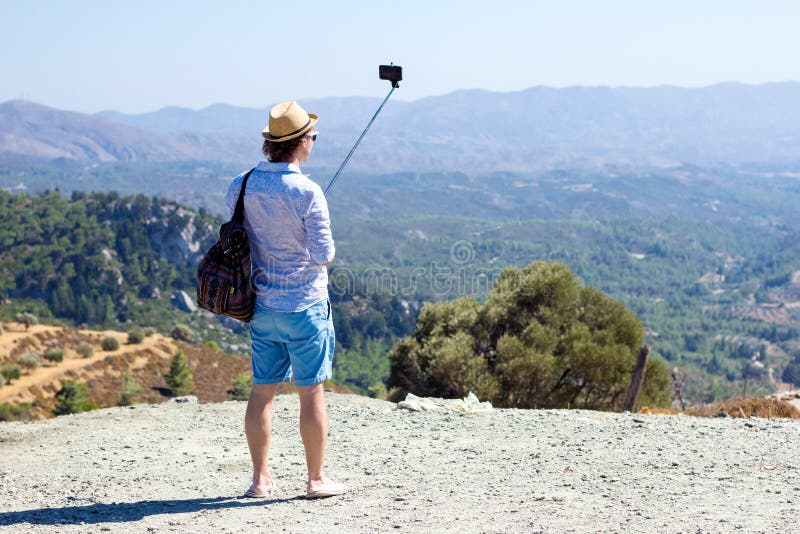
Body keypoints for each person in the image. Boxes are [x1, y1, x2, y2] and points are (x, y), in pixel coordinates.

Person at [225, 100, 346, 499]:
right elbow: (324, 255)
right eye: (312, 136)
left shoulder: (240, 185)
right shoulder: (309, 191)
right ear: (300, 142)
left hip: (260, 306)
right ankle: (315, 480)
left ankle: (260, 481)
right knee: (311, 393)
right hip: (305, 307)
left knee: (262, 391)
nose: (313, 142)